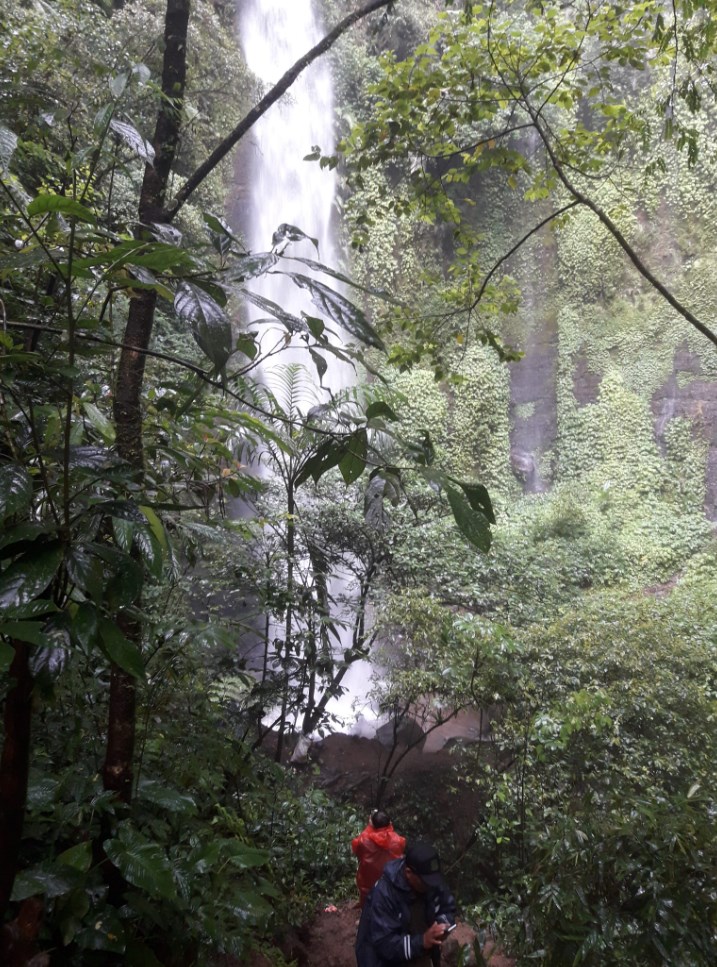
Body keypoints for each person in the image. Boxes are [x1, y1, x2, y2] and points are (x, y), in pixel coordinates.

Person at [355, 840, 456, 966]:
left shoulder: (430, 880)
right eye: (425, 882)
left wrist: (442, 926)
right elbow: (385, 944)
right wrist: (422, 941)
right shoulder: (384, 893)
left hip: (416, 950)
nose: (430, 886)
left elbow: (448, 907)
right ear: (408, 873)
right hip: (381, 960)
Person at [352, 810, 407, 907]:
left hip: (368, 884)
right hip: (390, 882)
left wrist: (369, 827)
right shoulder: (399, 841)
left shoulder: (363, 841)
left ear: (372, 825)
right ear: (390, 823)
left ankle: (365, 909)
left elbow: (357, 851)